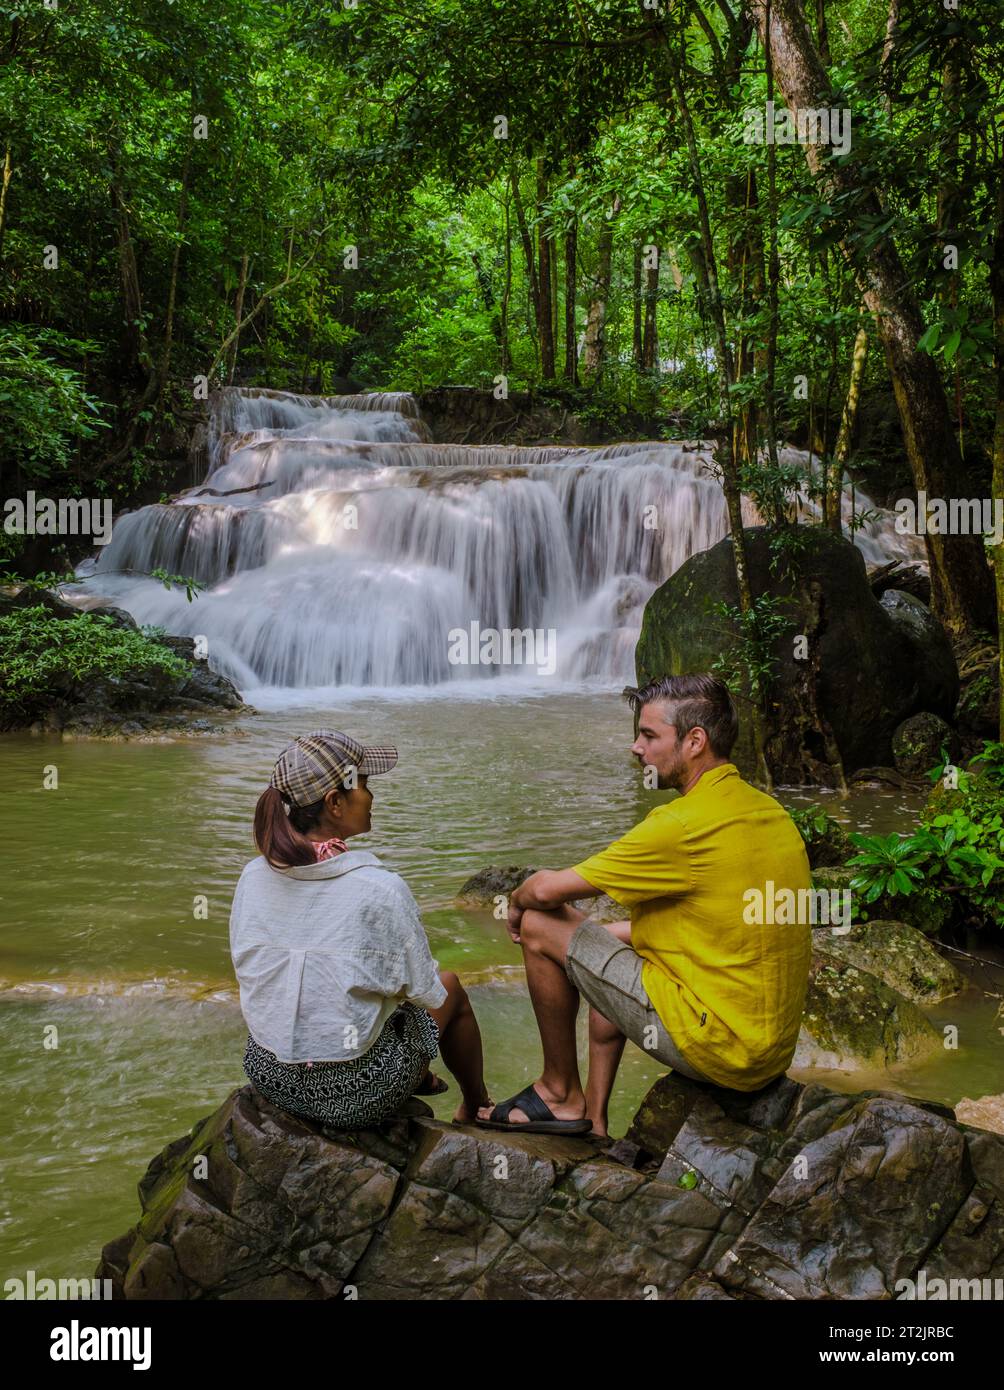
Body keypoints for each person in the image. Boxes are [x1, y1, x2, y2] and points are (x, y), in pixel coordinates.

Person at [475, 673, 812, 1138]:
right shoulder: (769, 812)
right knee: (612, 957)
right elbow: (719, 927)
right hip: (769, 1051)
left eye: (649, 735)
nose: (636, 748)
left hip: (719, 1049)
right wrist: (599, 941)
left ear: (695, 741)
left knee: (540, 924)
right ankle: (593, 1120)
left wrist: (516, 903)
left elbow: (547, 893)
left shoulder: (679, 825)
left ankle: (558, 1092)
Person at [230, 729, 491, 1128]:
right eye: (364, 785)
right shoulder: (379, 888)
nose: (372, 796)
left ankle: (425, 1079)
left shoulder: (252, 876)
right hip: (355, 1095)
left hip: (269, 1075)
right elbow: (425, 991)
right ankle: (476, 1107)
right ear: (335, 802)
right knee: (449, 986)